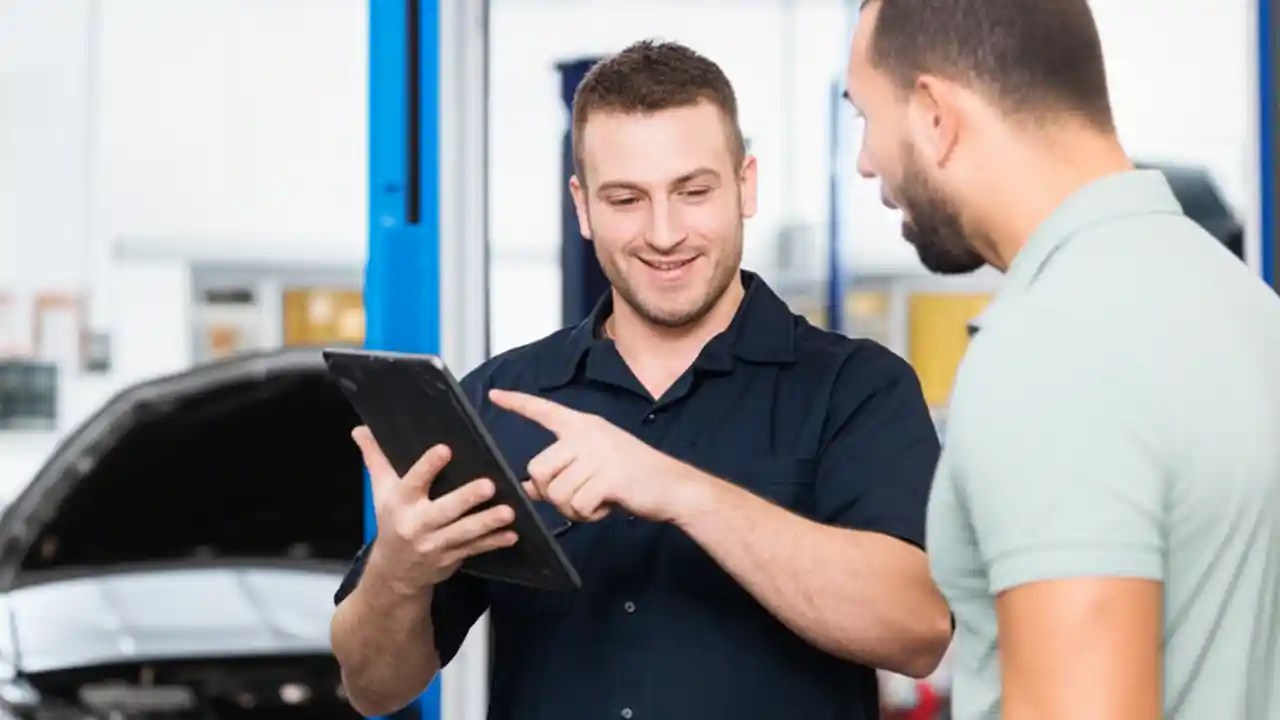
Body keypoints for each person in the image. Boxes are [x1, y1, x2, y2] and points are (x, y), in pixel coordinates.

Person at [330, 39, 952, 720]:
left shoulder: (857, 388)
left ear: (745, 184)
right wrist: (398, 568)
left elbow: (916, 631)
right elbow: (373, 687)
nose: (663, 233)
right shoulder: (500, 401)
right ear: (583, 206)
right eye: (625, 198)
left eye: (692, 192)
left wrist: (675, 489)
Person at [844, 1, 1280, 719]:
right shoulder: (1243, 303)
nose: (865, 161)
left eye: (865, 116)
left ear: (932, 113)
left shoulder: (1048, 346)